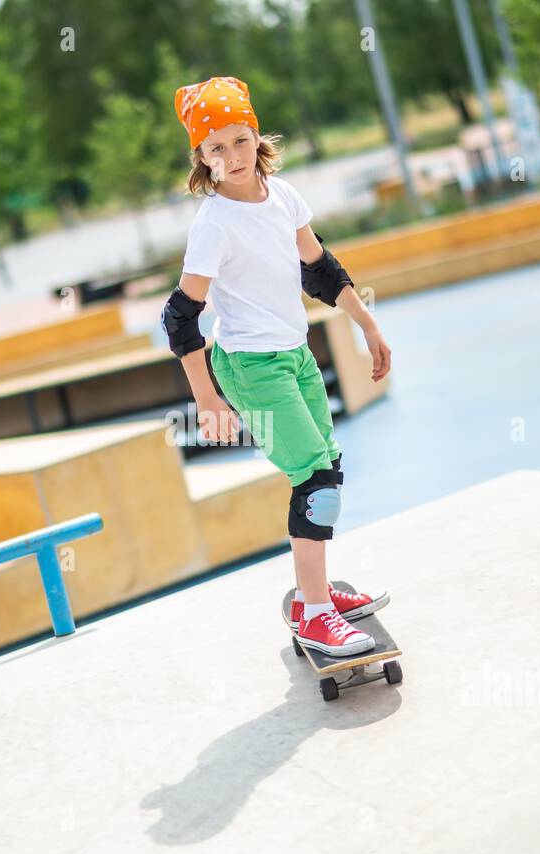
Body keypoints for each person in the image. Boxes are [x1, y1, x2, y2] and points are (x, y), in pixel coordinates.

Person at [161, 75, 393, 657]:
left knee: (326, 470)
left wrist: (366, 322)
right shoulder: (212, 224)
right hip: (248, 367)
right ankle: (315, 613)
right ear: (202, 159)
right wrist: (208, 400)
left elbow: (318, 269)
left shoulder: (283, 196)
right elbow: (180, 317)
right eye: (216, 149)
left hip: (294, 354)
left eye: (240, 140)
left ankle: (314, 595)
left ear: (256, 134)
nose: (232, 157)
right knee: (316, 485)